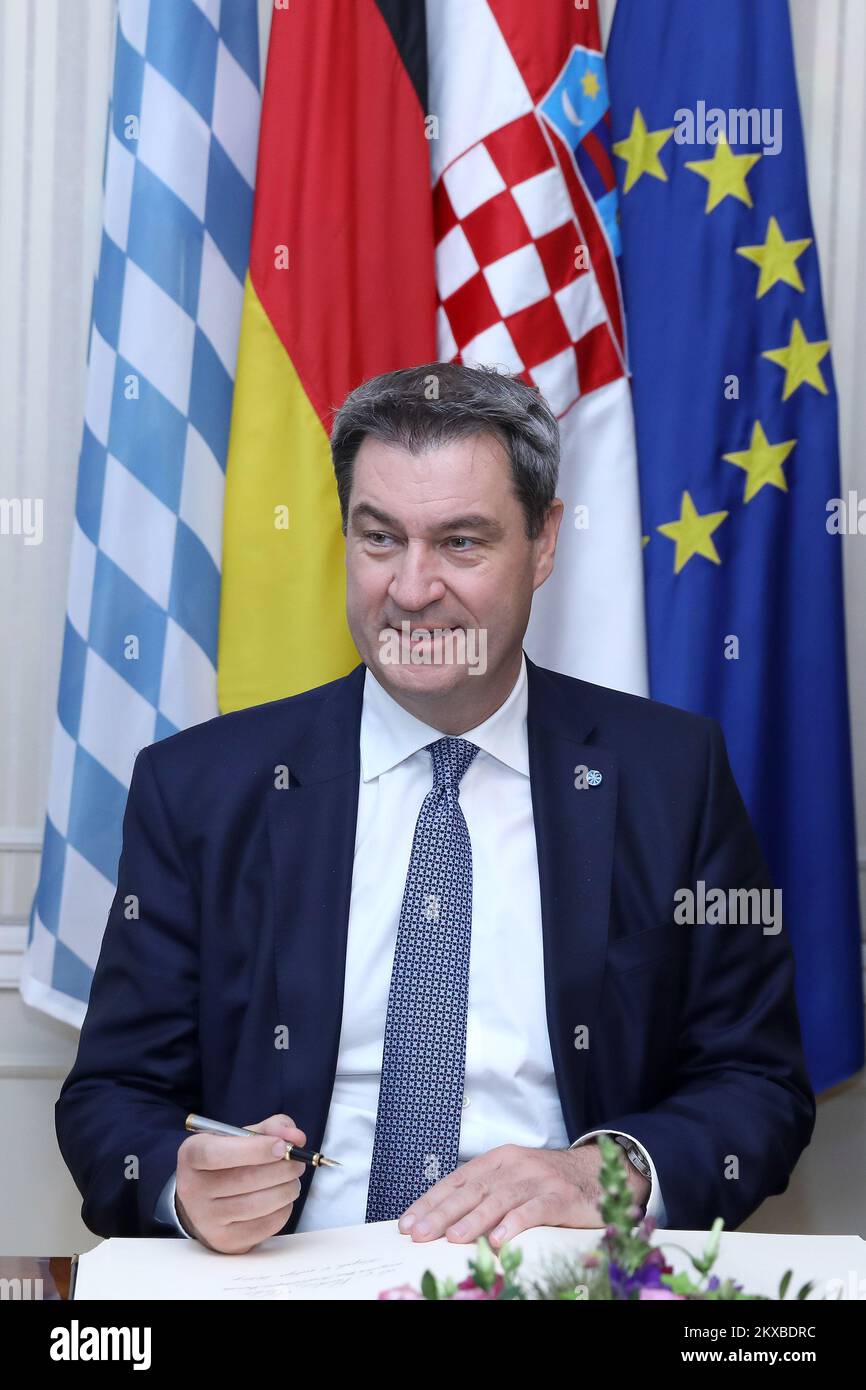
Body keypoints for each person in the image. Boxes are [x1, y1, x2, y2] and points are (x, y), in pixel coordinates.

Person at [56, 362, 815, 1255]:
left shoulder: (669, 776)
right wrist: (182, 1187)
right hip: (284, 1279)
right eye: (381, 539)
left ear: (544, 544)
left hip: (556, 1273)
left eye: (461, 543)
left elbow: (756, 1083)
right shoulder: (200, 788)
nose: (412, 590)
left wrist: (605, 1171)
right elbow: (110, 1100)